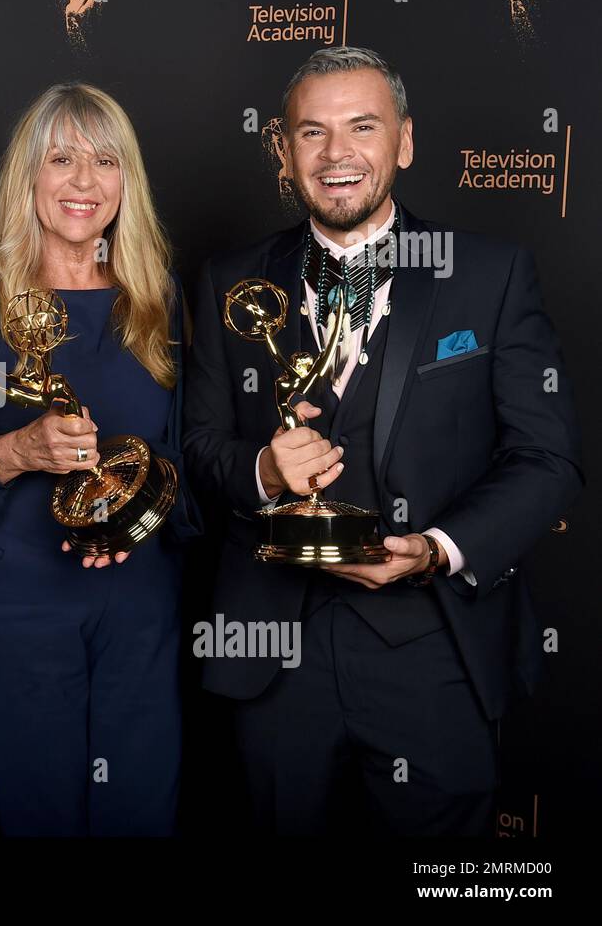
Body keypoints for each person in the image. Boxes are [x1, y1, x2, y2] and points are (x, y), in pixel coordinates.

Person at [183, 46, 582, 835]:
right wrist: (261, 468)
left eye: (362, 128)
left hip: (431, 650)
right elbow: (198, 446)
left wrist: (437, 547)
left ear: (402, 141)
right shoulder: (230, 282)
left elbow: (547, 460)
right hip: (272, 652)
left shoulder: (489, 276)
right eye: (312, 133)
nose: (336, 156)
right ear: (283, 149)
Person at [0, 83, 202, 836]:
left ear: (125, 180)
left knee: (141, 810)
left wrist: (129, 520)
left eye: (104, 161)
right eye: (61, 159)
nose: (83, 182)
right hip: (17, 605)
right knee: (38, 815)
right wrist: (16, 449)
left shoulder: (156, 301)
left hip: (139, 599)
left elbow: (183, 459)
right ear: (27, 179)